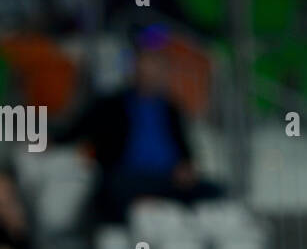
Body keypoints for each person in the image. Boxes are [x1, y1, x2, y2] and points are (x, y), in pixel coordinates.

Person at [65, 30, 222, 225]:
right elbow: (76, 129)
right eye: (147, 62)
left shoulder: (171, 108)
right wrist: (48, 139)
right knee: (115, 190)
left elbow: (185, 151)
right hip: (128, 178)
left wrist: (186, 167)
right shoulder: (112, 105)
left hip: (167, 180)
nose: (153, 70)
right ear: (135, 66)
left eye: (158, 64)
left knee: (215, 191)